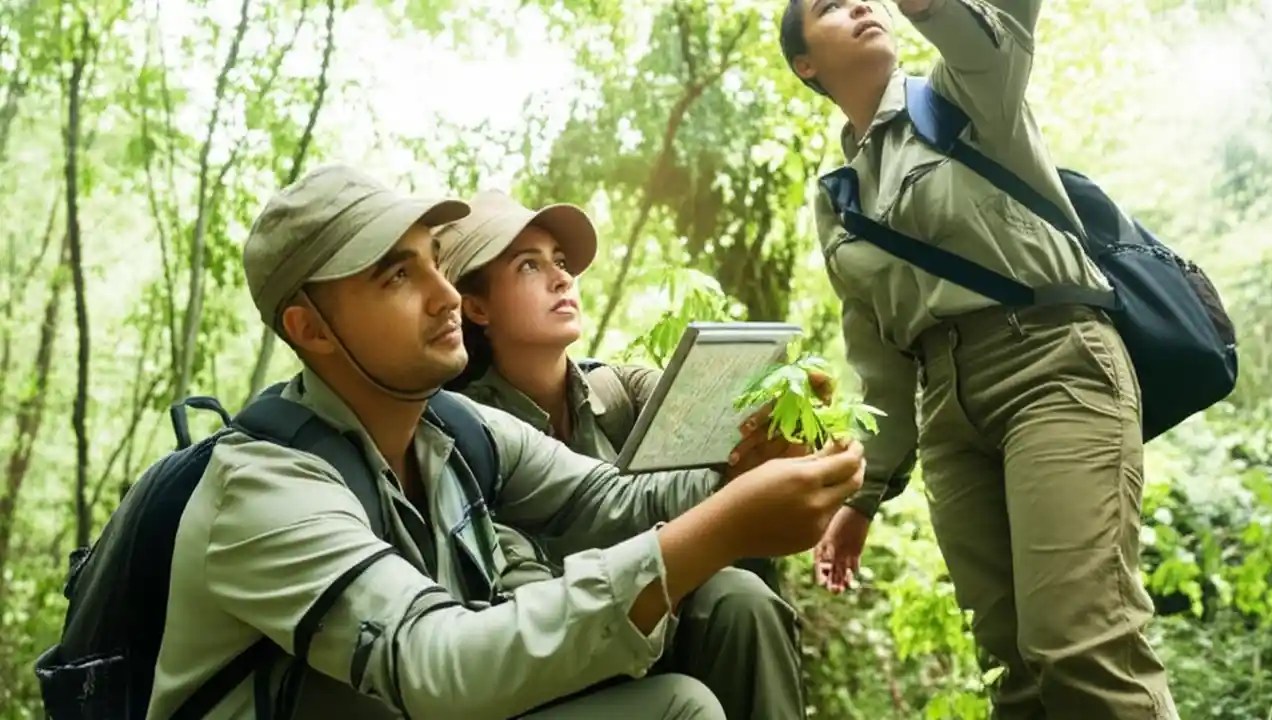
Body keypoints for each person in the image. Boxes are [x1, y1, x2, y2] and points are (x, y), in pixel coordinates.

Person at [145, 163, 867, 720]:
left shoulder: (454, 429)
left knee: (681, 707)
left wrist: (744, 474)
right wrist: (727, 526)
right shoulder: (264, 491)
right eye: (398, 275)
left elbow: (611, 498)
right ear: (310, 329)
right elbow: (434, 663)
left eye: (435, 260)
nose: (446, 294)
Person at [779, 1, 1179, 718]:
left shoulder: (964, 93)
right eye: (831, 6)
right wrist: (862, 501)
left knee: (1082, 648)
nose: (861, 5)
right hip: (947, 419)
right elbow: (881, 364)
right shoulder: (838, 200)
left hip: (1053, 366)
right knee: (1014, 674)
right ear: (806, 64)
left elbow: (1007, 23)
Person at [433, 188, 807, 719]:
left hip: (667, 620)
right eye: (528, 267)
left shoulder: (618, 390)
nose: (562, 279)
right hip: (569, 663)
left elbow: (714, 425)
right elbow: (525, 605)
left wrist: (778, 424)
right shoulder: (467, 440)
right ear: (476, 307)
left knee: (740, 598)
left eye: (561, 262)